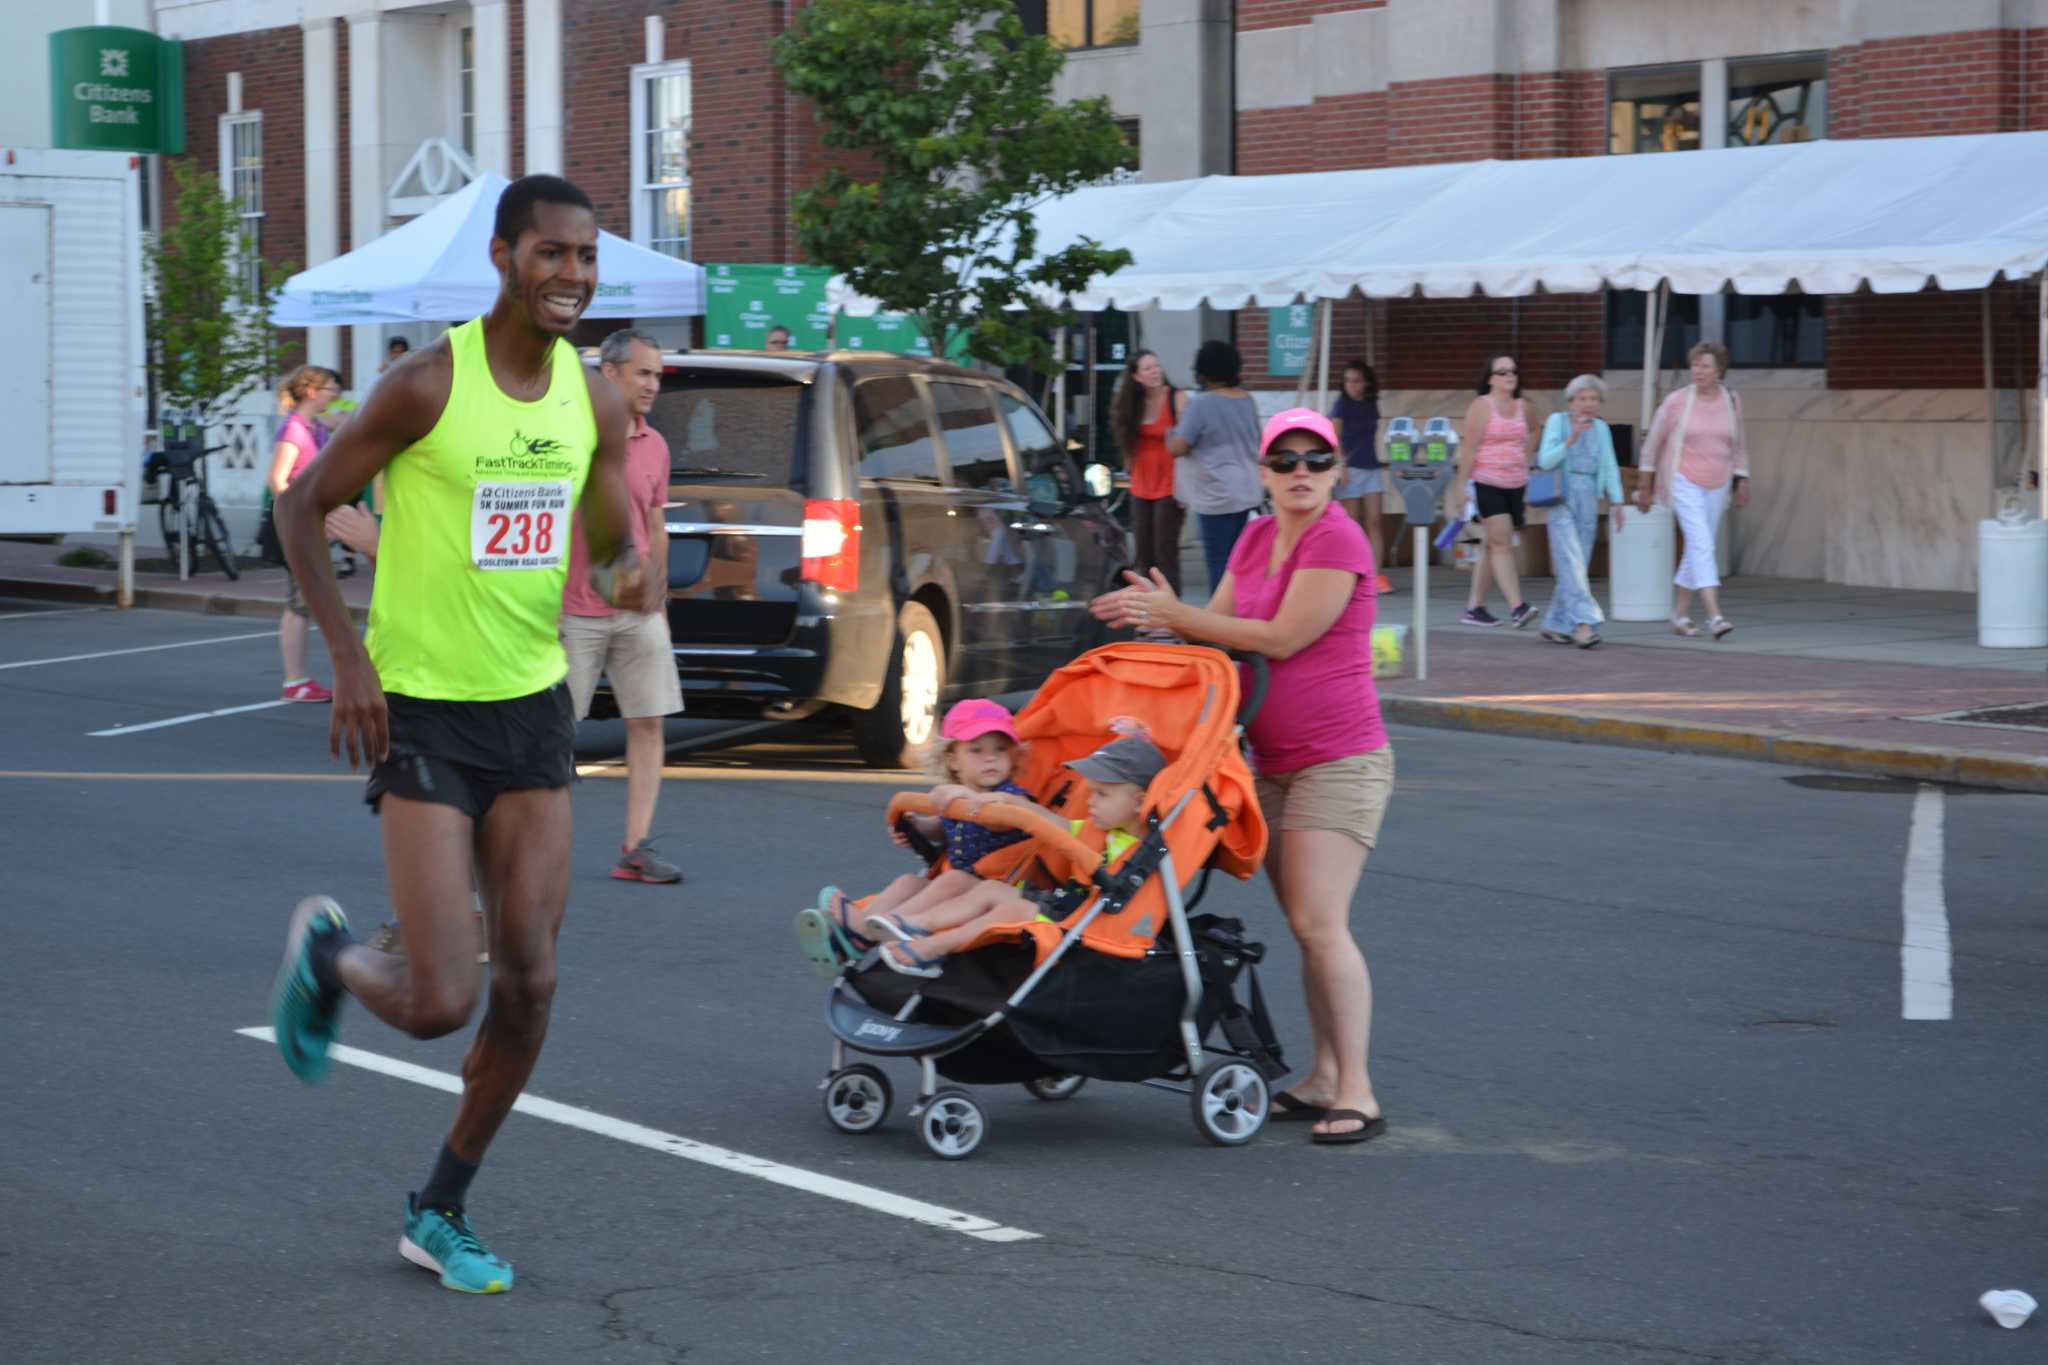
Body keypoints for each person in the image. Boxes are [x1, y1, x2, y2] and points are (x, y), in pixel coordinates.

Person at [268, 173, 643, 1295]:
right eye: (551, 253)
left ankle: (441, 1207)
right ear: (502, 256)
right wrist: (345, 656)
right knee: (439, 1004)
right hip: (424, 706)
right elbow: (299, 507)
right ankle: (333, 955)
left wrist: (633, 570)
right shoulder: (427, 384)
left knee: (528, 986)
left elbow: (609, 534)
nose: (571, 274)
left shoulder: (597, 400)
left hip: (532, 707)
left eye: (586, 256)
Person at [1090, 408, 1395, 1146]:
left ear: (1336, 472)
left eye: (1315, 461)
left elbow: (1282, 637)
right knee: (1305, 928)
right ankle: (1323, 1076)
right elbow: (1215, 636)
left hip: (1339, 760)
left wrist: (1182, 613)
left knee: (1322, 923)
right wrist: (1158, 619)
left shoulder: (1337, 537)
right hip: (1270, 760)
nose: (1299, 473)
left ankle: (1358, 1089)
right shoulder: (1257, 537)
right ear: (1261, 472)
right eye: (1284, 460)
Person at [869, 732, 1164, 979]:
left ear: (1139, 803)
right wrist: (1007, 801)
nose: (1090, 801)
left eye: (1102, 794)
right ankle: (912, 924)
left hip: (1093, 924)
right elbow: (1049, 820)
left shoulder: (1139, 847)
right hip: (1064, 904)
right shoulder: (1101, 830)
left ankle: (932, 949)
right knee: (991, 889)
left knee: (1013, 910)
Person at [562, 328, 686, 884]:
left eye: (658, 374)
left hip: (637, 611)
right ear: (609, 373)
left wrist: (656, 596)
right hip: (571, 609)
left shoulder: (654, 444)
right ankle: (533, 848)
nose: (653, 384)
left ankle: (636, 847)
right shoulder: (566, 435)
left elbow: (654, 523)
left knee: (648, 722)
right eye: (644, 372)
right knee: (553, 733)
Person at [792, 698, 1032, 975]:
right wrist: (919, 826)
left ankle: (895, 924)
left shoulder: (1011, 795)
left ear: (1012, 755)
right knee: (910, 881)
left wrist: (973, 800)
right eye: (976, 750)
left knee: (953, 878)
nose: (990, 758)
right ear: (953, 760)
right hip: (959, 885)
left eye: (1000, 749)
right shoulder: (957, 797)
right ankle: (860, 930)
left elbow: (1003, 821)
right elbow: (943, 827)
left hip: (996, 885)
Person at [1638, 340, 1750, 639]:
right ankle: (1715, 616)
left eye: (1705, 366)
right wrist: (1645, 483)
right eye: (1695, 365)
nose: (1698, 371)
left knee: (1698, 547)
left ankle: (1679, 615)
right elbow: (1653, 444)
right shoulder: (1677, 400)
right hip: (1683, 479)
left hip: (1719, 481)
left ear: (1719, 370)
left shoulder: (1732, 400)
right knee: (1702, 543)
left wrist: (1742, 479)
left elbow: (1738, 443)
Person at [267, 365, 344, 703]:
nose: (336, 395)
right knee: (300, 603)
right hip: (299, 529)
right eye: (330, 390)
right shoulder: (294, 430)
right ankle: (294, 680)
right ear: (312, 392)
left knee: (307, 601)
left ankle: (298, 678)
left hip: (312, 527)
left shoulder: (313, 426)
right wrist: (297, 522)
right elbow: (278, 480)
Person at [1167, 339, 1264, 594]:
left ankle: (1219, 623)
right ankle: (1239, 614)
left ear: (1204, 369)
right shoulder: (1247, 399)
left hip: (1216, 492)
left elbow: (1178, 446)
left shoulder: (1202, 403)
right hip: (1247, 488)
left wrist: (1172, 430)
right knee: (1238, 559)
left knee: (1218, 560)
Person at [1451, 354, 1541, 628]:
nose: (1509, 376)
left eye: (1513, 371)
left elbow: (1536, 430)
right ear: (1490, 378)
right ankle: (1518, 606)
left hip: (1516, 484)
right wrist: (1461, 487)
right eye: (1502, 372)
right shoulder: (1482, 406)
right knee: (1502, 543)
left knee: (1492, 545)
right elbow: (1469, 449)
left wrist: (1524, 455)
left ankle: (1474, 608)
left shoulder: (1523, 406)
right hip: (1487, 481)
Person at [1535, 375, 1625, 649]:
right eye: (1583, 398)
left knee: (1576, 563)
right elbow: (1544, 459)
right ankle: (1585, 623)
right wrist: (1569, 441)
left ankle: (1555, 623)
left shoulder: (1601, 429)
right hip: (1561, 494)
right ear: (1571, 401)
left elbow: (1609, 466)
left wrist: (1617, 502)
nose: (1588, 404)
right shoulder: (1556, 422)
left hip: (1589, 497)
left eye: (1594, 399)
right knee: (1572, 561)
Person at [1111, 349, 1189, 598]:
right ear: (1136, 376)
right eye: (1147, 368)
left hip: (1170, 484)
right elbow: (1129, 444)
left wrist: (1186, 488)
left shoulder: (1177, 399)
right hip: (1141, 484)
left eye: (1156, 366)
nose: (1155, 372)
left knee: (1164, 550)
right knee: (1144, 553)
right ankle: (1149, 609)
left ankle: (1173, 610)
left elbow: (1189, 443)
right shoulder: (1131, 404)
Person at [1328, 359, 1391, 594]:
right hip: (1350, 468)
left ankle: (1375, 574)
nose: (1351, 385)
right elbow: (1333, 437)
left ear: (1366, 383)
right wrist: (1340, 466)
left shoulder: (1371, 404)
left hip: (1371, 466)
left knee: (1375, 521)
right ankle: (1353, 573)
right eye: (1347, 381)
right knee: (1352, 524)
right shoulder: (1340, 405)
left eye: (1356, 381)